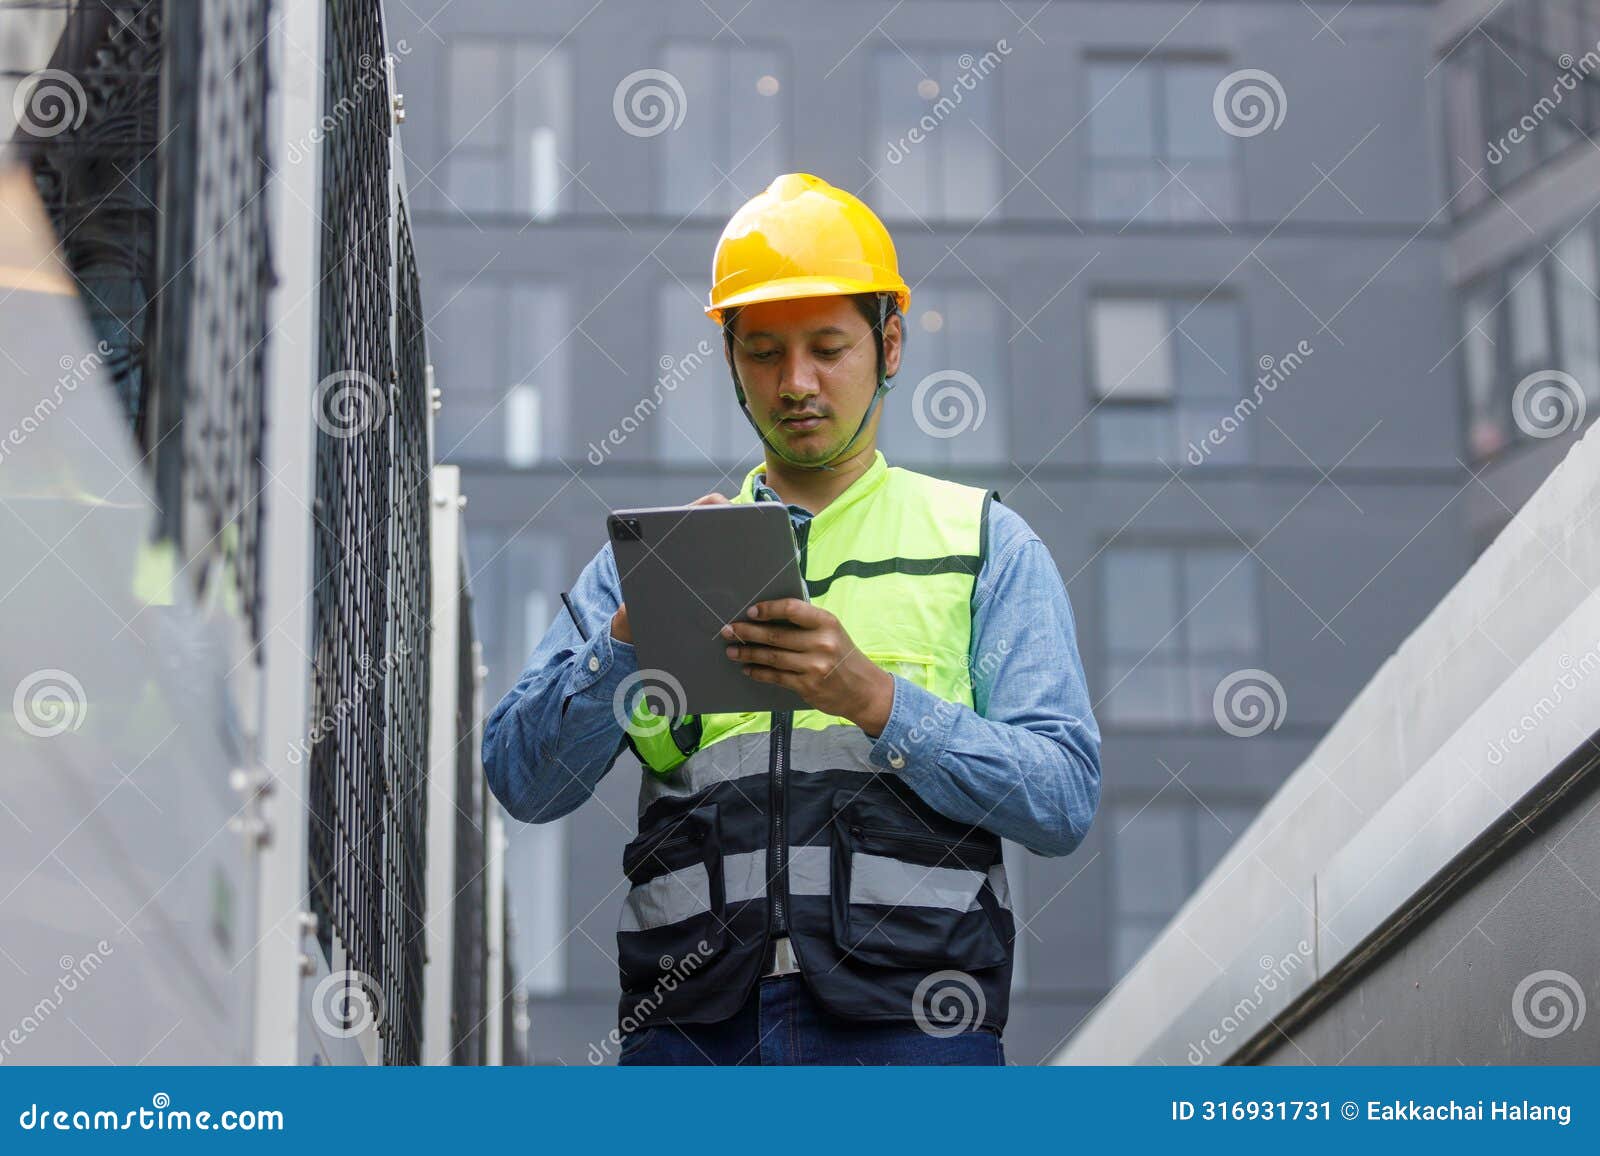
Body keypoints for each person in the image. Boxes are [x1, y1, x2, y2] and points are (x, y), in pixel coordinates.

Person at [482, 173, 1100, 1066]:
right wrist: (627, 640)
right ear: (731, 361)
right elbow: (520, 778)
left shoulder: (984, 545)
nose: (796, 382)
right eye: (764, 353)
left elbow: (1061, 797)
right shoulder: (644, 565)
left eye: (827, 346)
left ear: (890, 344)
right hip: (691, 1036)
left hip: (912, 1034)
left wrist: (878, 701)